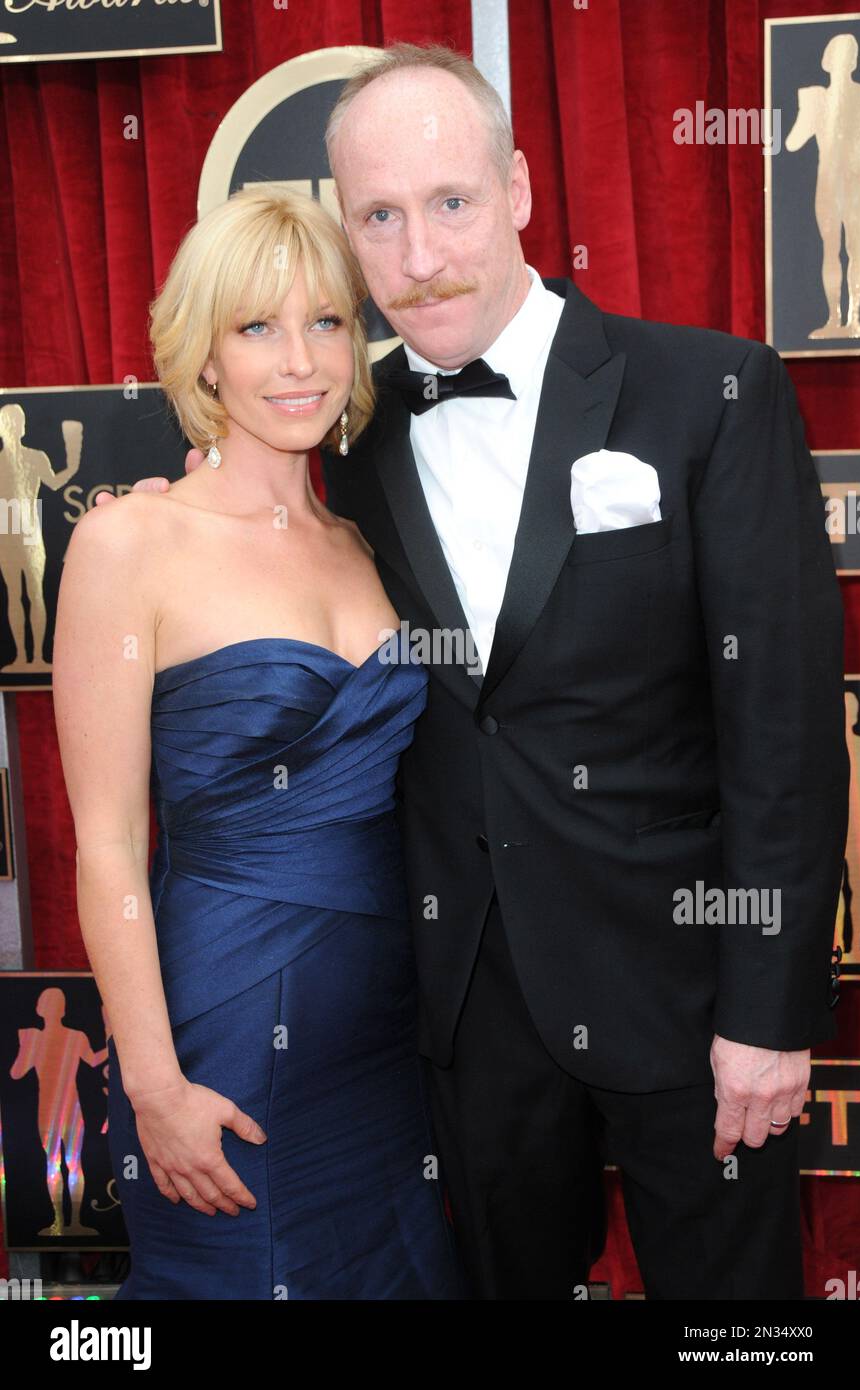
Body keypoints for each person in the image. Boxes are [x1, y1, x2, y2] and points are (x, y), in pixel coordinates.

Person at [103, 43, 849, 1300]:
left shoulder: (707, 393)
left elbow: (778, 729)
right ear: (348, 232)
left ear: (513, 191)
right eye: (379, 219)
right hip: (456, 1032)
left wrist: (769, 1012)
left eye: (448, 203)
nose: (418, 253)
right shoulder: (341, 428)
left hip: (687, 1005)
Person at [53, 182, 465, 1299]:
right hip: (224, 1031)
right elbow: (103, 843)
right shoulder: (131, 540)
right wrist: (151, 1082)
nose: (298, 360)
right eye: (257, 326)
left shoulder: (369, 538)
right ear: (204, 356)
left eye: (325, 321)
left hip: (388, 1045)